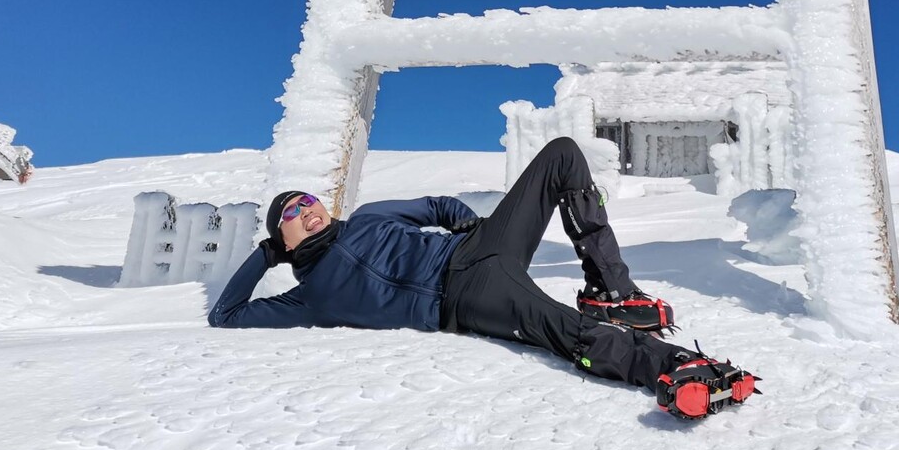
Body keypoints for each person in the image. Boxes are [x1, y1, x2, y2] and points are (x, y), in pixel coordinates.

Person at [209, 136, 756, 420]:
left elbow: (438, 205)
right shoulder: (310, 299)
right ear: (284, 238)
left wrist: (473, 228)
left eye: (308, 199)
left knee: (562, 156)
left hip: (479, 247)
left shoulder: (371, 215)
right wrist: (265, 257)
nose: (307, 208)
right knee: (559, 329)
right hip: (466, 297)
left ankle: (611, 290)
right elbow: (226, 314)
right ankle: (680, 370)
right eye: (291, 212)